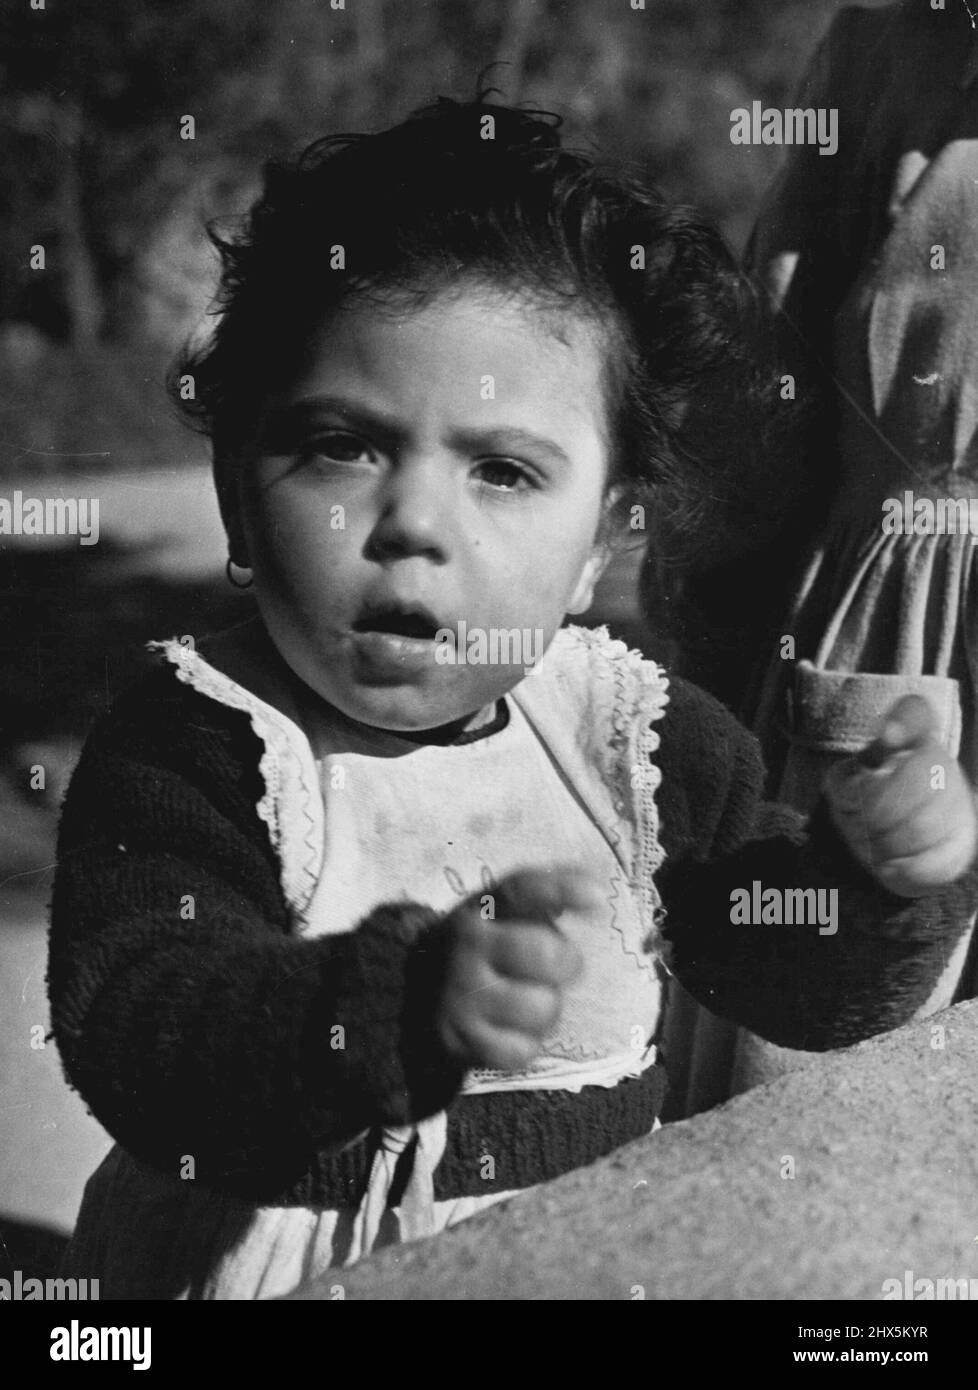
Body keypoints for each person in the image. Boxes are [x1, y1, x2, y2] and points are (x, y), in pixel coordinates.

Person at [49, 96, 978, 1300]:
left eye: (502, 469)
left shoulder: (636, 748)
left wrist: (878, 881)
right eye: (341, 444)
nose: (415, 526)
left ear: (599, 541)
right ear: (236, 483)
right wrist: (387, 1014)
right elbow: (138, 1026)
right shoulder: (200, 741)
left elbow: (785, 972)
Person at [665, 0, 978, 1113]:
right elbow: (767, 397)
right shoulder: (889, 53)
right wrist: (694, 655)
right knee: (836, 1107)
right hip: (901, 647)